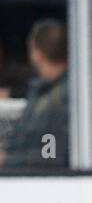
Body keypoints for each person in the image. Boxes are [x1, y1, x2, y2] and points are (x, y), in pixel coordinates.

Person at [0, 20, 69, 169]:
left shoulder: (65, 98)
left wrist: (6, 160)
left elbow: (50, 156)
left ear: (37, 54)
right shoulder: (37, 91)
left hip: (43, 182)